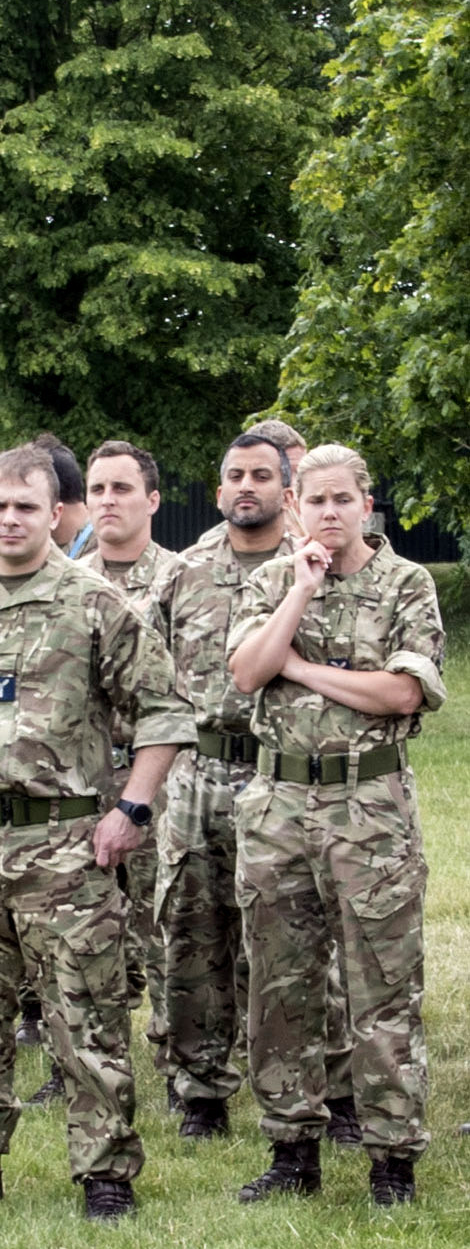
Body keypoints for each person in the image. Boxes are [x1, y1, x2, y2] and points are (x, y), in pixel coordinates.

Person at [0, 444, 191, 1217]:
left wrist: (132, 809)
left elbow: (165, 712)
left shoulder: (95, 605)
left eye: (27, 506)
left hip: (67, 843)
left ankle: (106, 1176)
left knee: (86, 1014)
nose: (11, 519)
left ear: (55, 513)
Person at [226, 442, 445, 1207]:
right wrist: (297, 594)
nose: (327, 513)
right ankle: (293, 1151)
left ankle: (392, 1159)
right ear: (294, 507)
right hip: (279, 808)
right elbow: (248, 671)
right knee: (281, 987)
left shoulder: (406, 583)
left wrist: (304, 667)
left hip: (370, 811)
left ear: (365, 504)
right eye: (313, 500)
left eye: (341, 500)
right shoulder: (267, 581)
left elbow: (401, 695)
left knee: (382, 988)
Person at [145, 433, 289, 1140]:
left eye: (262, 475)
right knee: (194, 934)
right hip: (197, 776)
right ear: (218, 487)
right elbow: (145, 672)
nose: (246, 487)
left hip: (282, 773)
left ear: (285, 489)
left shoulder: (310, 570)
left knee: (291, 938)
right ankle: (200, 1089)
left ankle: (313, 1086)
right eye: (235, 475)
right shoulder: (185, 571)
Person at [83, 441, 182, 1028]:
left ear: (152, 500)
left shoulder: (182, 578)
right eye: (97, 489)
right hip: (79, 775)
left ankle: (179, 1063)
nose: (107, 500)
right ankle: (82, 1057)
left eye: (121, 488)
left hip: (159, 775)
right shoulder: (61, 582)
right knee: (79, 927)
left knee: (165, 922)